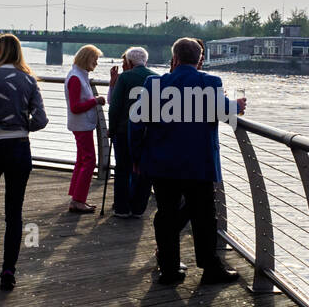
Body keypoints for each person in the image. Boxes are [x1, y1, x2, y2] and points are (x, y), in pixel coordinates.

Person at [130, 37, 247, 286]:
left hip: (163, 164)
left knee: (166, 214)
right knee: (204, 216)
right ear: (200, 60)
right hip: (199, 164)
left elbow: (136, 122)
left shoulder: (154, 84)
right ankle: (209, 268)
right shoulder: (210, 82)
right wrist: (235, 104)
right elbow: (225, 111)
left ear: (174, 59)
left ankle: (169, 270)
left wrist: (137, 156)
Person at [0, 33, 48, 290]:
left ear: (0, 52)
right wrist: (19, 125)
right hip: (19, 148)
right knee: (14, 212)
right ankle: (8, 270)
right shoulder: (28, 79)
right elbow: (40, 119)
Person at [106, 46, 154, 218]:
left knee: (123, 168)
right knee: (144, 169)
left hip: (124, 130)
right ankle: (139, 207)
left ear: (129, 62)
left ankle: (122, 208)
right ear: (145, 61)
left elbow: (115, 106)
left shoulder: (125, 77)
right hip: (148, 132)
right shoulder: (157, 77)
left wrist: (111, 129)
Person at [64, 44, 105, 213]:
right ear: (86, 58)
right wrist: (95, 100)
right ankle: (79, 200)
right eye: (95, 59)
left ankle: (76, 197)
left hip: (81, 124)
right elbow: (75, 106)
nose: (96, 63)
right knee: (89, 161)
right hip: (81, 125)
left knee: (82, 159)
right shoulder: (76, 78)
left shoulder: (79, 75)